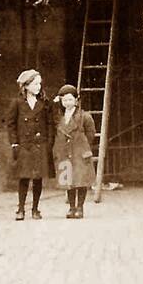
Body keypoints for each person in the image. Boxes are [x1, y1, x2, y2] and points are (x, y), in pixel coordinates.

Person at [3, 68, 53, 220]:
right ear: (26, 86)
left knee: (38, 178)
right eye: (35, 84)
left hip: (40, 144)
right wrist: (14, 143)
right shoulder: (17, 103)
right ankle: (20, 209)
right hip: (24, 145)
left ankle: (35, 209)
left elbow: (50, 124)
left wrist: (49, 142)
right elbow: (10, 124)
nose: (38, 87)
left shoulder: (44, 103)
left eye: (40, 84)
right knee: (23, 178)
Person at [53, 84, 97, 218]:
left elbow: (91, 134)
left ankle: (80, 207)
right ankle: (71, 207)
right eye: (64, 100)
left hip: (79, 152)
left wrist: (83, 146)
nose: (67, 103)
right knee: (69, 181)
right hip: (65, 153)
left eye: (70, 100)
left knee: (81, 180)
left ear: (76, 100)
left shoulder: (84, 116)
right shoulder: (59, 117)